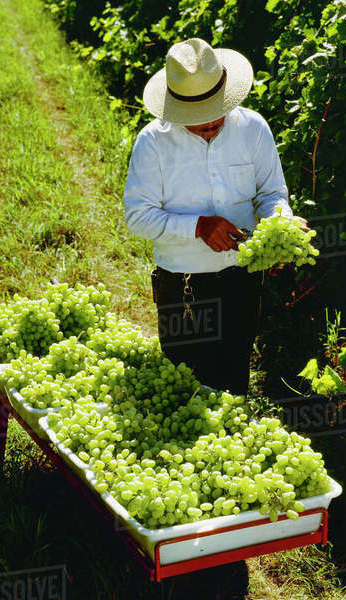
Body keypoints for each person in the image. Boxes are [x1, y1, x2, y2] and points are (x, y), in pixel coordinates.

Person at [123, 38, 308, 395]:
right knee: (181, 387)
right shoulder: (153, 143)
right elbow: (138, 216)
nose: (209, 123)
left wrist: (281, 222)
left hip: (242, 281)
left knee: (233, 379)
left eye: (214, 111)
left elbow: (272, 194)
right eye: (197, 117)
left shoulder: (252, 130)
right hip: (183, 287)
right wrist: (197, 226)